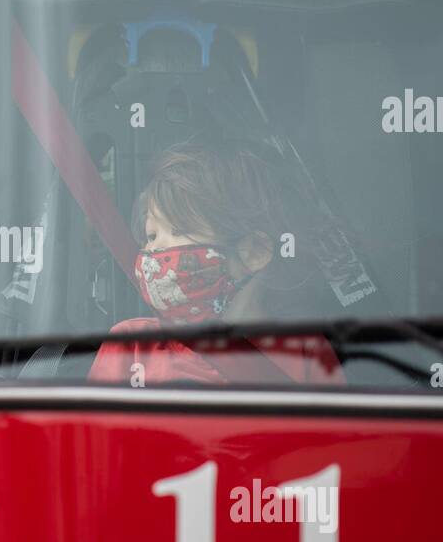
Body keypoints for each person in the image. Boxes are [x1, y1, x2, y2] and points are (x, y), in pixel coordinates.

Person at [88, 139, 346, 386]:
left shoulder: (304, 350)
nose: (153, 249)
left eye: (179, 230)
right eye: (150, 235)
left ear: (254, 252)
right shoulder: (132, 345)